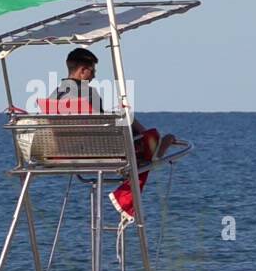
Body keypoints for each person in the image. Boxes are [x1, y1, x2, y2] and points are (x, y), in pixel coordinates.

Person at [51, 47, 177, 222]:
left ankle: (150, 149)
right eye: (92, 71)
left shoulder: (54, 95)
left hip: (64, 151)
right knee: (139, 130)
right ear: (82, 71)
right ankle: (128, 191)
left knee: (133, 131)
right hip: (94, 150)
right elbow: (101, 125)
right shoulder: (87, 93)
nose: (94, 76)